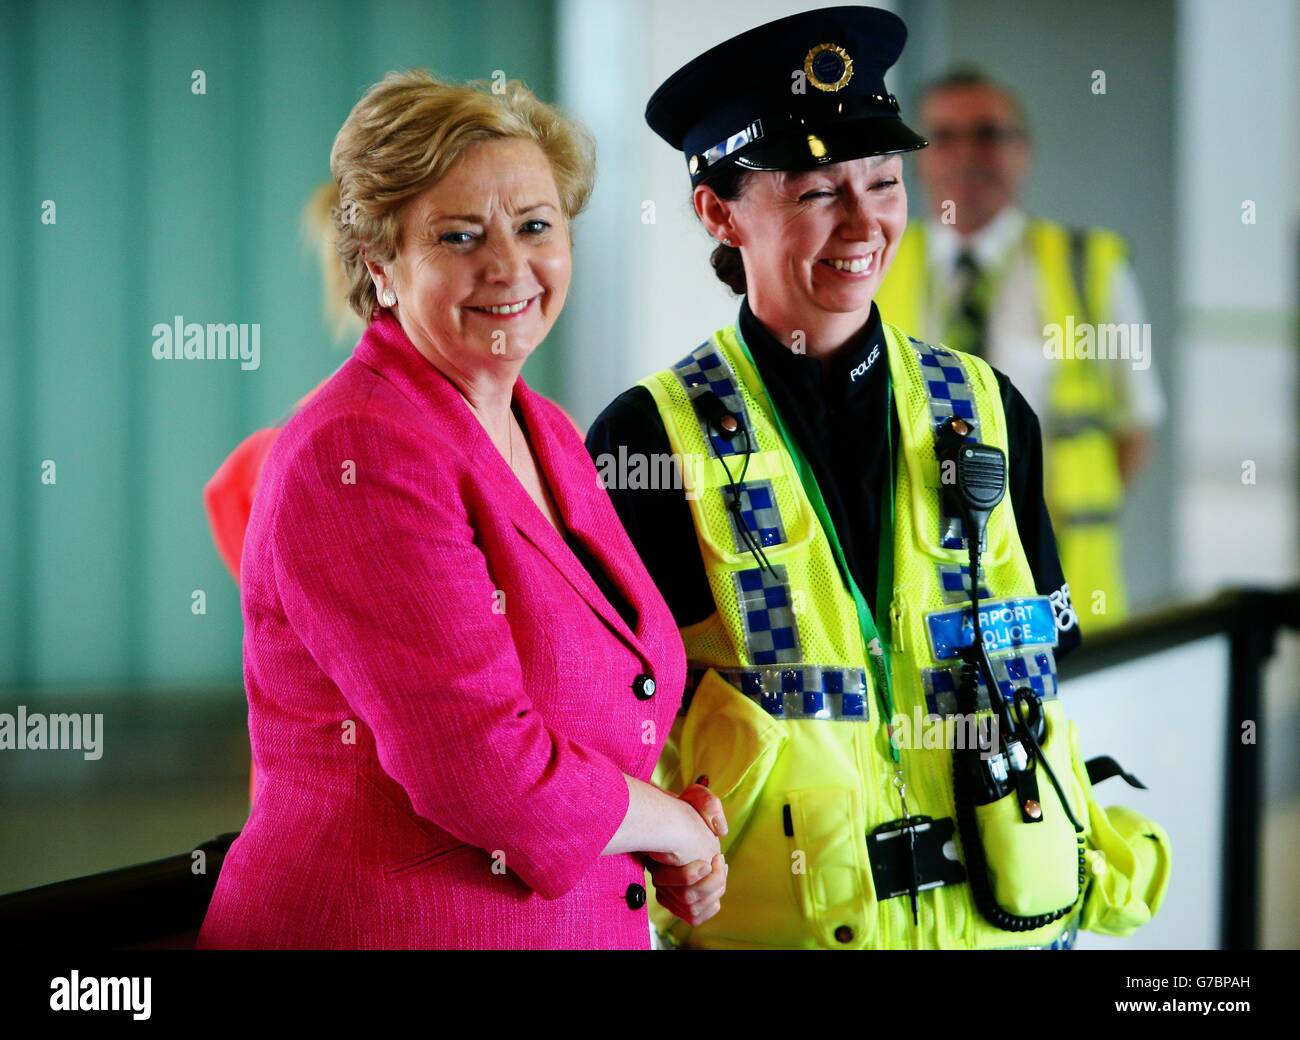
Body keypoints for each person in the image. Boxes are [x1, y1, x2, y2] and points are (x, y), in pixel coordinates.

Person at [588, 5, 1170, 949]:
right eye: (819, 190)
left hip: (1006, 920)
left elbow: (1042, 662)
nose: (866, 223)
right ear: (717, 209)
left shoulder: (984, 406)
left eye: (886, 181)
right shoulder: (648, 437)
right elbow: (606, 729)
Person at [197, 69, 728, 949]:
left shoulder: (544, 427)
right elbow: (482, 768)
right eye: (458, 235)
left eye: (535, 226)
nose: (509, 266)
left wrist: (652, 812)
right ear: (382, 267)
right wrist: (665, 825)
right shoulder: (358, 450)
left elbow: (607, 689)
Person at [874, 67, 1166, 631]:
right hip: (920, 586)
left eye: (988, 133)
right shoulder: (878, 266)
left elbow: (1135, 429)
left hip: (1064, 588)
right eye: (945, 136)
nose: (967, 154)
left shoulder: (1090, 265)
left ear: (1023, 151)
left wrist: (1041, 521)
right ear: (917, 156)